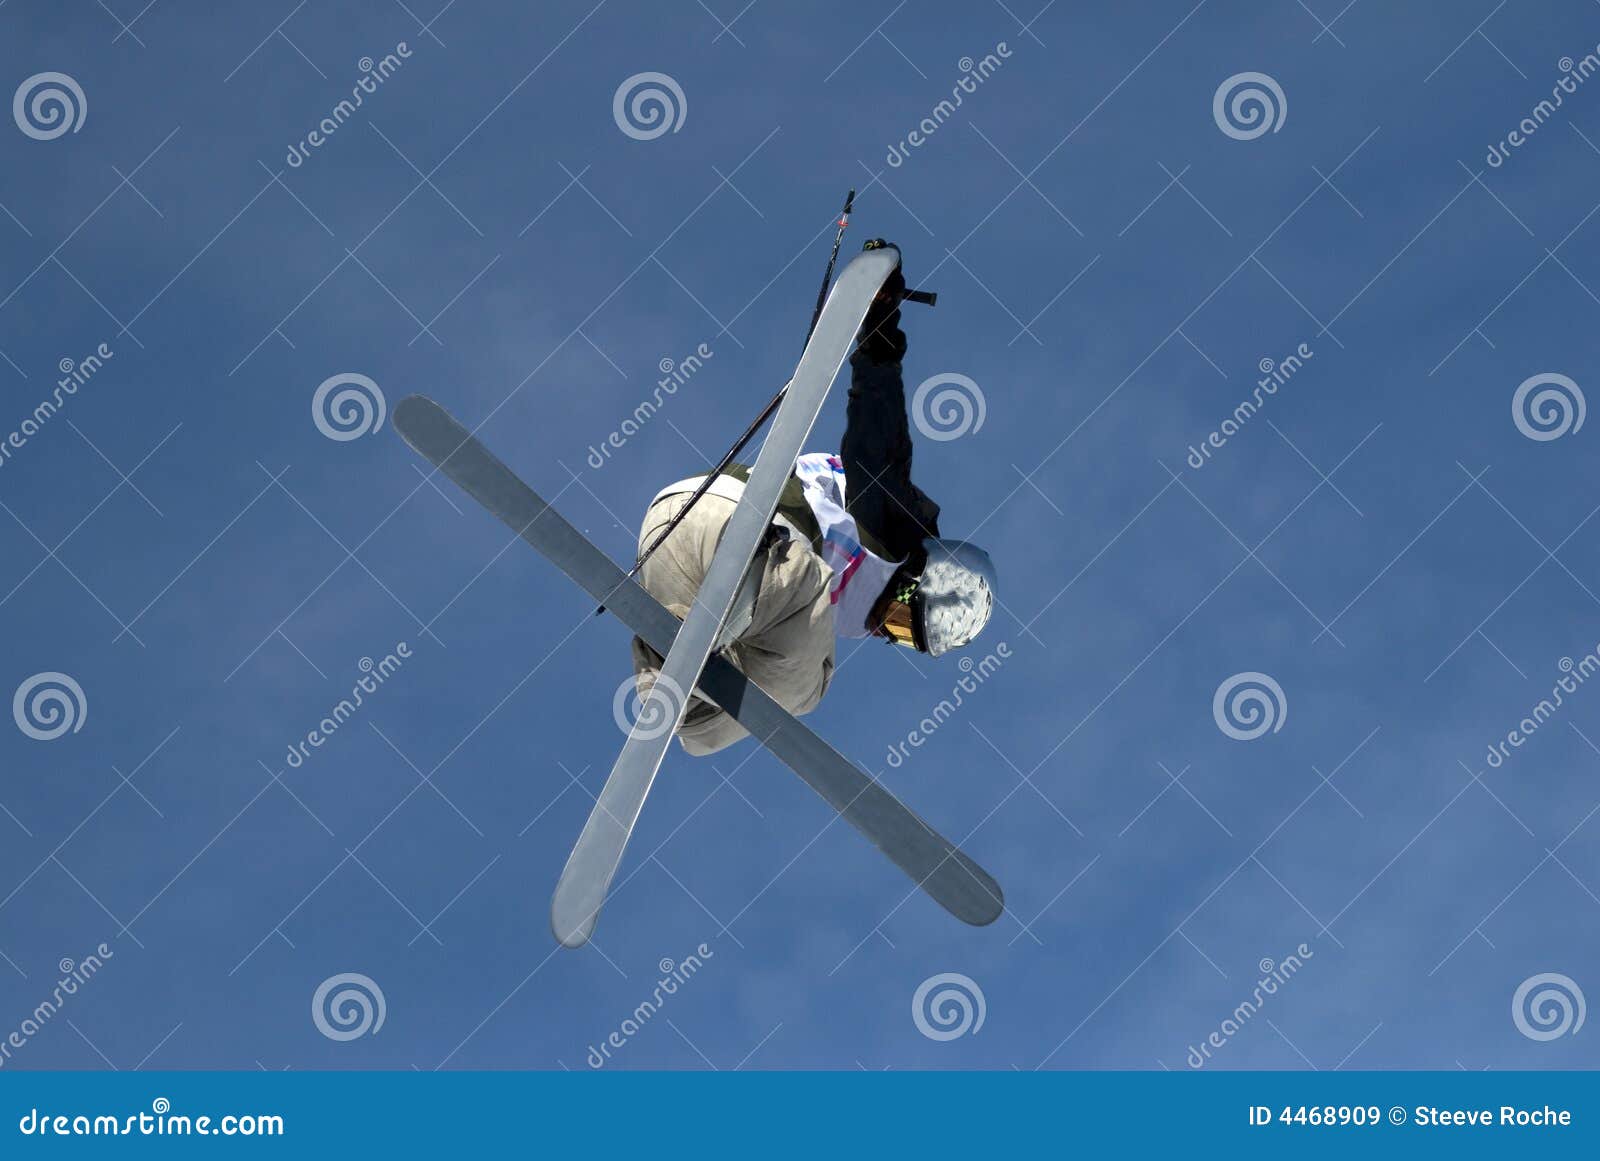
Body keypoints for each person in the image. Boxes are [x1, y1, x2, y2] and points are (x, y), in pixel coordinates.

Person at [631, 241, 998, 755]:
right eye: (899, 619)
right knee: (810, 683)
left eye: (901, 637)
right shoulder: (893, 533)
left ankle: (671, 683)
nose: (884, 632)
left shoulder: (851, 599)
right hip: (739, 531)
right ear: (917, 579)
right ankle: (714, 636)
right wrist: (879, 327)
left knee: (698, 733)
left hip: (667, 530)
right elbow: (877, 430)